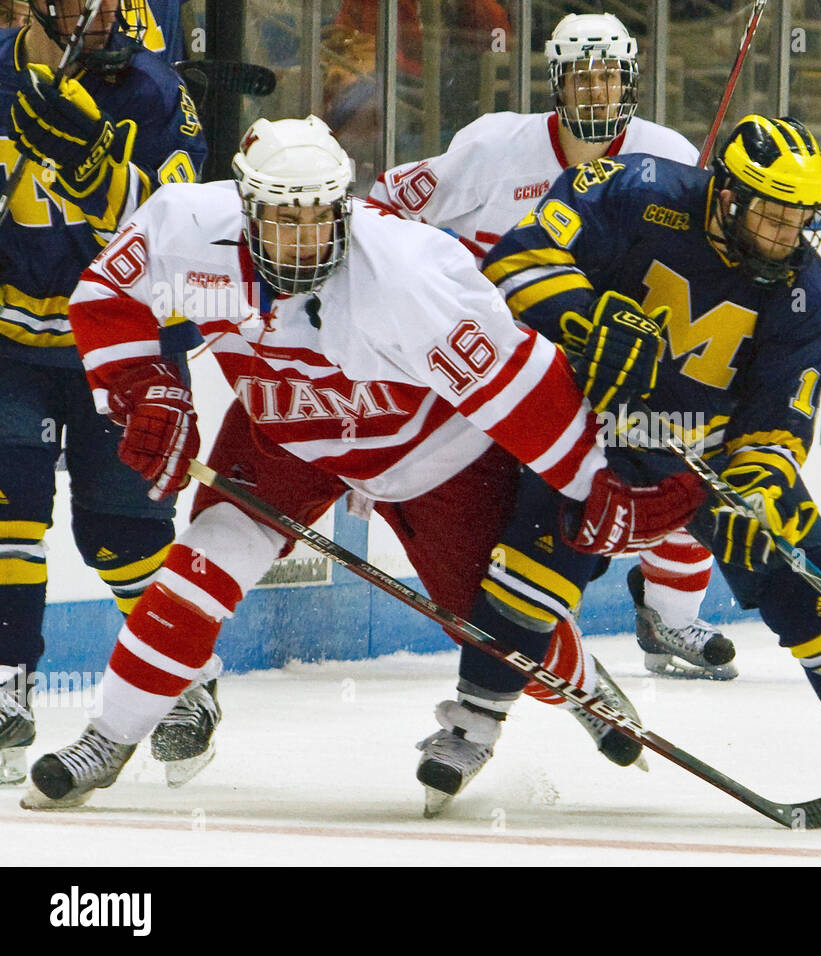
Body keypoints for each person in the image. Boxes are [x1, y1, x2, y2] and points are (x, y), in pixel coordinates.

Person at [20, 115, 702, 810]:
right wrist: (144, 388)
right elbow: (107, 295)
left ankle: (582, 684)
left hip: (435, 456)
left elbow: (521, 391)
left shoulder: (409, 276)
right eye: (284, 218)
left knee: (489, 627)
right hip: (283, 436)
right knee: (202, 563)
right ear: (247, 208)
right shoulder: (185, 225)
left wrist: (599, 484)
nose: (305, 236)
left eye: (321, 215)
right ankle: (107, 738)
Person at [442, 114, 821, 819]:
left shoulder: (813, 298)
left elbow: (781, 421)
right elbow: (515, 261)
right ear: (726, 196)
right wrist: (586, 318)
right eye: (771, 213)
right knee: (535, 567)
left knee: (816, 589)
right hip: (600, 430)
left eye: (800, 217)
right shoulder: (634, 190)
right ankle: (470, 725)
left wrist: (758, 488)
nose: (788, 233)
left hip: (718, 458)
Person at [371, 11, 738, 682]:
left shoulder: (671, 156)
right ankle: (523, 642)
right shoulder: (492, 148)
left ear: (630, 82)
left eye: (609, 77)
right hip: (506, 375)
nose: (596, 92)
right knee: (523, 519)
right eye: (581, 78)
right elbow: (386, 203)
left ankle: (669, 617)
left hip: (617, 367)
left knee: (686, 459)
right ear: (556, 84)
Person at [0, 0, 208, 788]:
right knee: (7, 504)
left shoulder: (154, 93)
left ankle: (183, 683)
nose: (110, 9)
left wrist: (95, 173)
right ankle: (5, 689)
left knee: (123, 540)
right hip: (10, 340)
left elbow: (180, 236)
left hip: (121, 345)